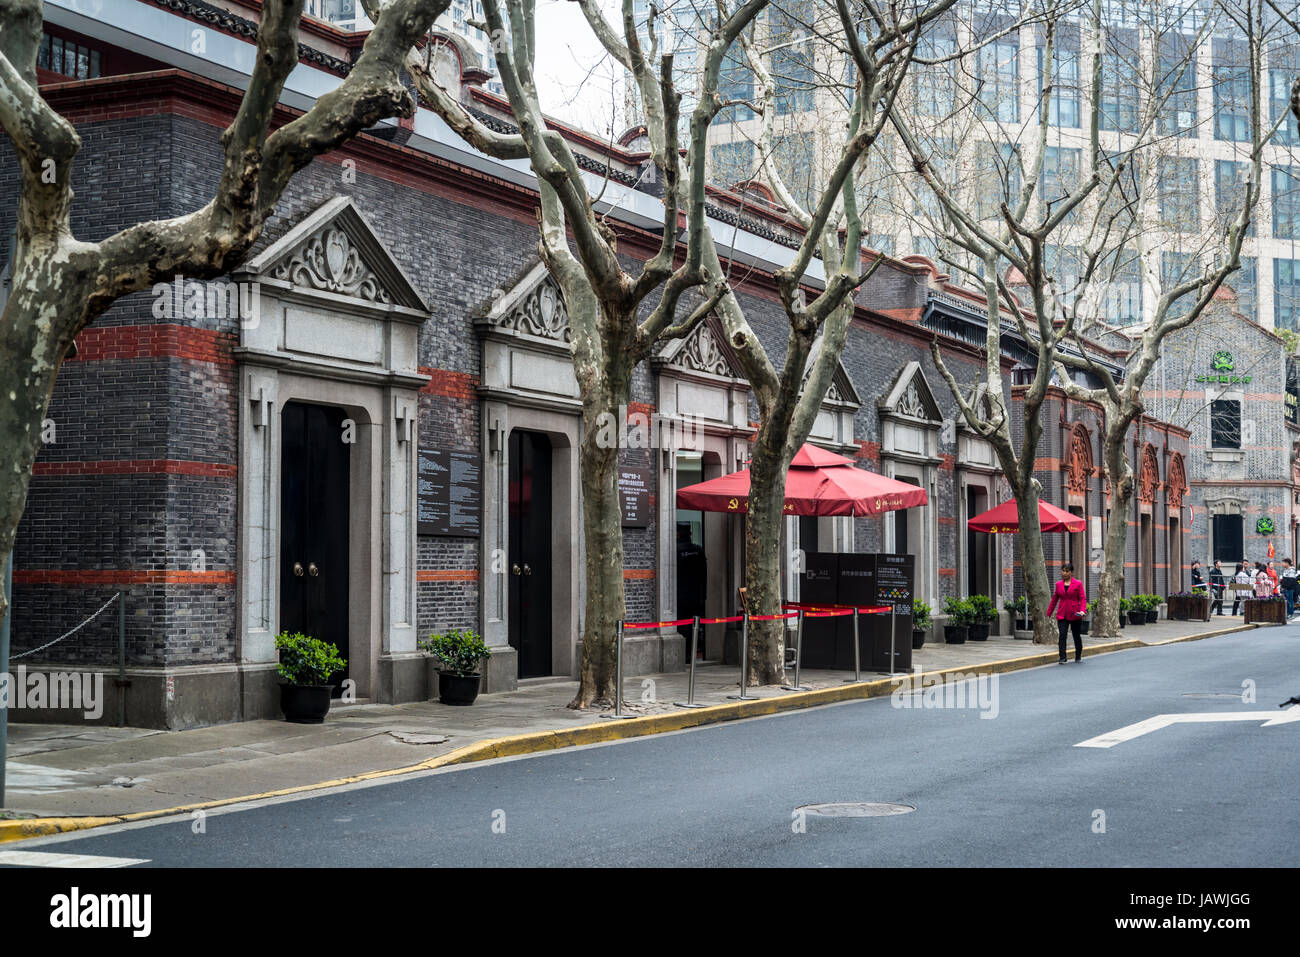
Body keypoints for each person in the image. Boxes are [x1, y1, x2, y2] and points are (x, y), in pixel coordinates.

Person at [1047, 562, 1087, 664]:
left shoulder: (1078, 584)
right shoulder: (1058, 584)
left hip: (1075, 613)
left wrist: (1083, 610)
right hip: (1062, 613)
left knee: (1076, 635)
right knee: (1062, 635)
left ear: (1071, 572)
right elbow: (1054, 600)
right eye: (1063, 571)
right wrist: (1049, 613)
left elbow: (1082, 598)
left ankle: (1078, 655)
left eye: (1067, 571)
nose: (1064, 573)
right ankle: (1062, 657)